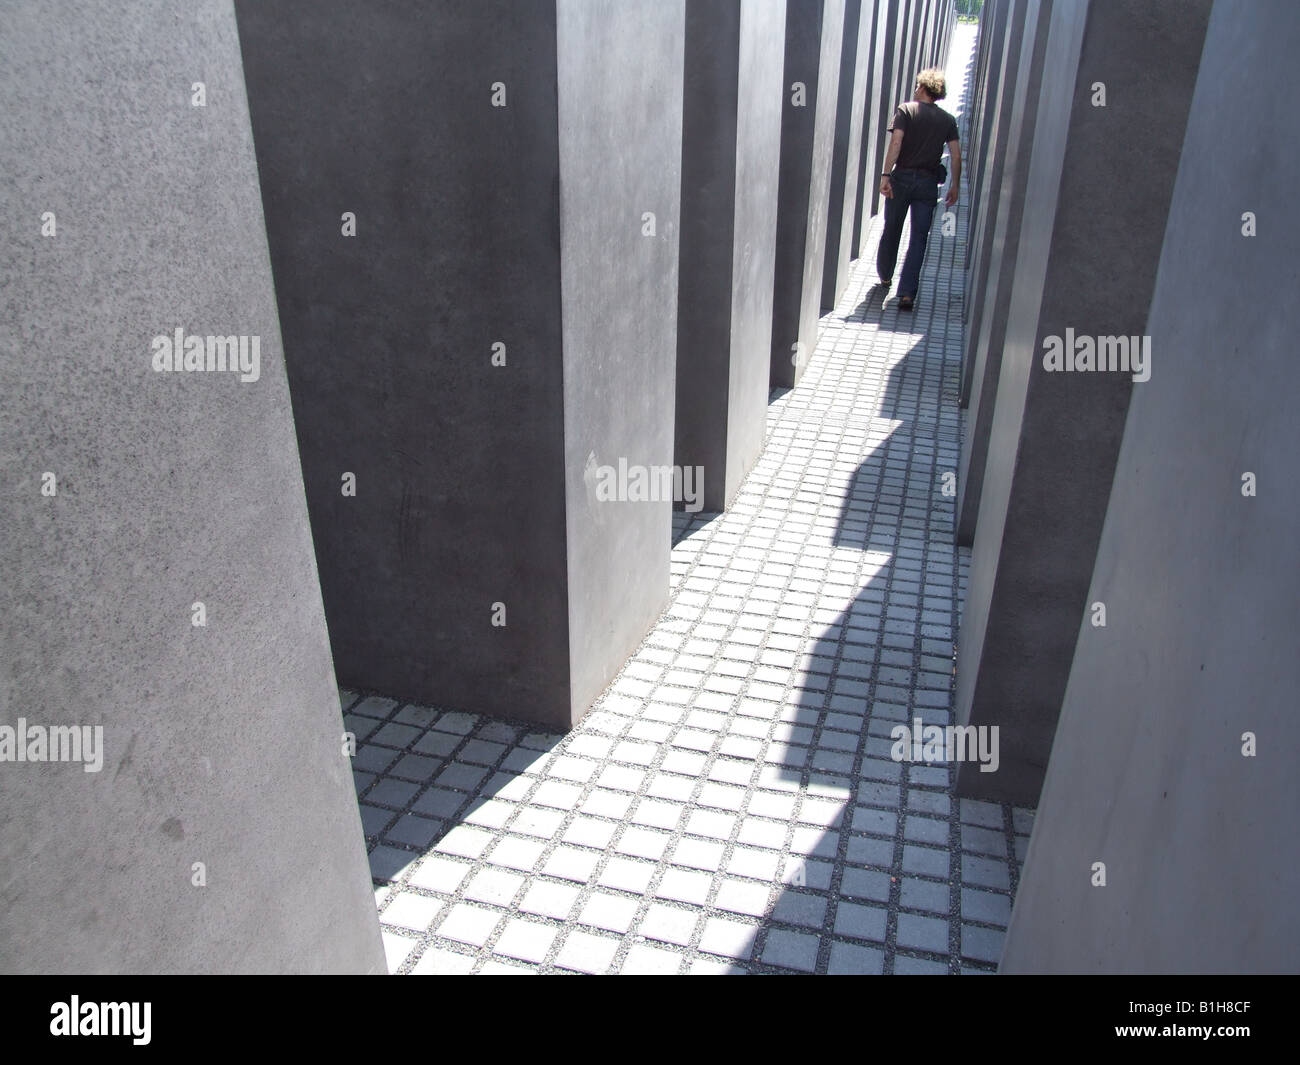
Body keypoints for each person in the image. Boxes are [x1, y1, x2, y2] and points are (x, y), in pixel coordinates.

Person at [876, 68, 961, 311]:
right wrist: (954, 185)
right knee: (919, 238)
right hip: (927, 183)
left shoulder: (906, 110)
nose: (915, 89)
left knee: (892, 228)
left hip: (901, 178)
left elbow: (896, 142)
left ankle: (885, 275)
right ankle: (907, 294)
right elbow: (955, 156)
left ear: (923, 88)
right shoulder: (948, 120)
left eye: (917, 85)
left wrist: (885, 174)